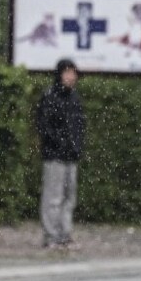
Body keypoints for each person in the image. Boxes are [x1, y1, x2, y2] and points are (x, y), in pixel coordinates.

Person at [36, 58, 86, 249]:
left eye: (73, 73)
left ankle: (65, 234)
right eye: (67, 72)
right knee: (53, 197)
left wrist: (76, 146)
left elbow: (79, 126)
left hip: (70, 156)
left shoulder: (74, 99)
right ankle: (51, 235)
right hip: (54, 155)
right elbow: (45, 126)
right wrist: (60, 143)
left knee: (69, 197)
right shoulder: (50, 97)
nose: (70, 77)